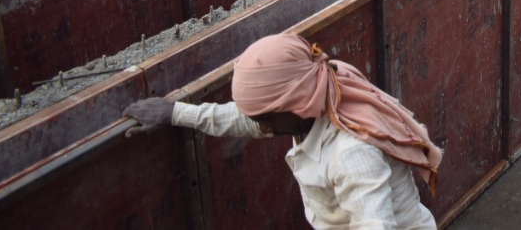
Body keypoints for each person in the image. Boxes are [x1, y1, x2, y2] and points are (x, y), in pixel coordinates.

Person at [123, 33, 443, 230]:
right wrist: (175, 112)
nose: (262, 128)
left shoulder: (351, 153)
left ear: (296, 104)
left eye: (268, 119)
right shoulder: (323, 80)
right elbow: (248, 117)